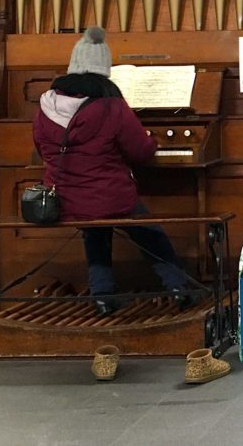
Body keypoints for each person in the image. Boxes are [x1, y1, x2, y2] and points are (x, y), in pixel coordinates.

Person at [32, 27, 191, 314]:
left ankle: (102, 296)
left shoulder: (45, 106)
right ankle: (179, 286)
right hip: (109, 198)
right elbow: (140, 152)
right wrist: (154, 141)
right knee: (147, 229)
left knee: (95, 229)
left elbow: (42, 149)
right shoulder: (111, 105)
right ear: (104, 68)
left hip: (65, 200)